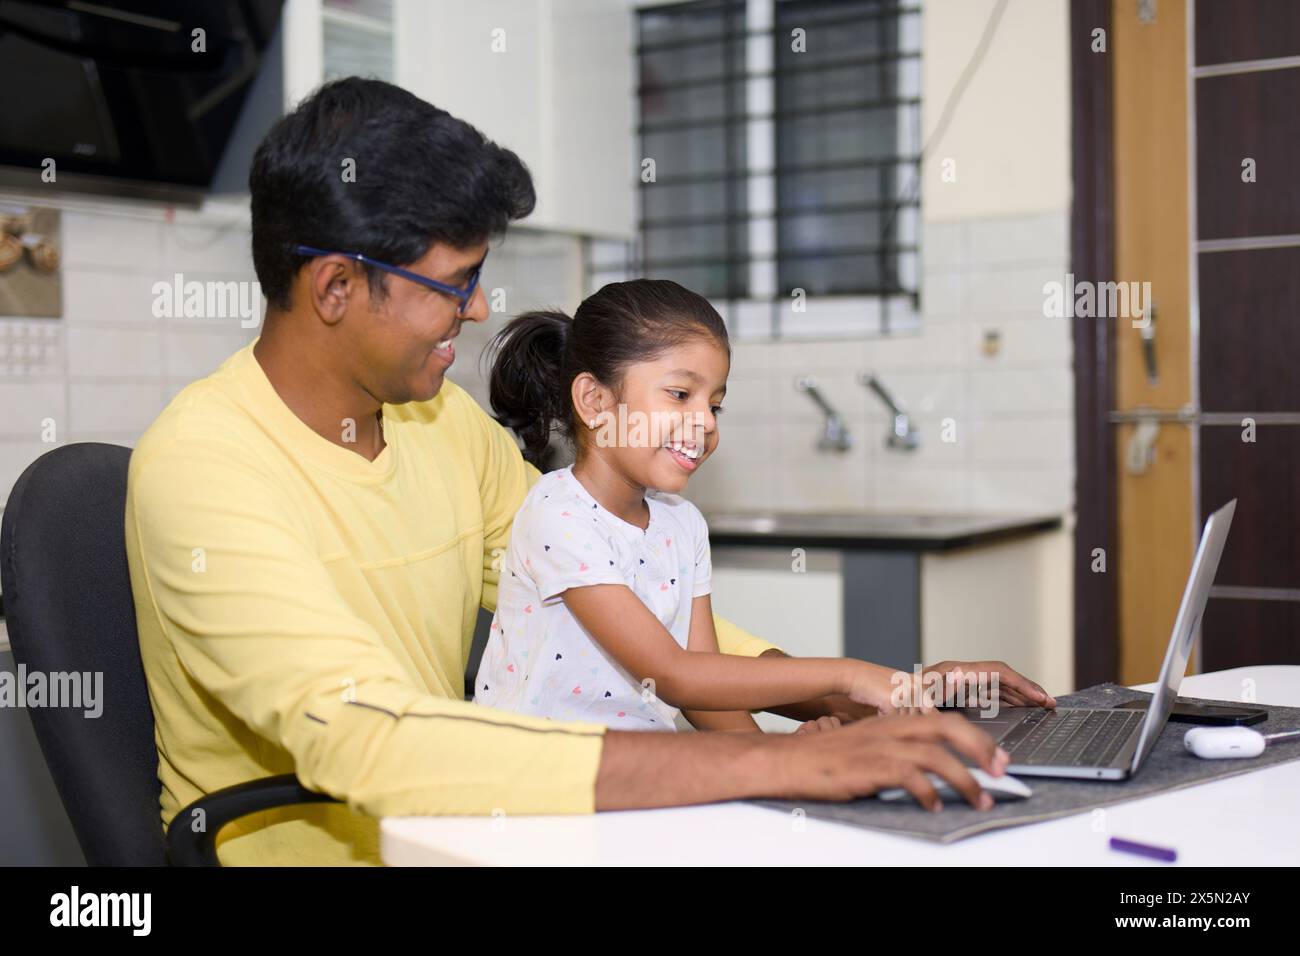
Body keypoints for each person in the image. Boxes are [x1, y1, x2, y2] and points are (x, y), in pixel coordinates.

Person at [125, 78, 1052, 866]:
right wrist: (786, 762)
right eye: (454, 285)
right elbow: (367, 738)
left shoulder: (439, 426)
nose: (481, 307)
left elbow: (637, 616)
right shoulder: (205, 467)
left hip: (471, 837)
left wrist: (876, 691)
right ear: (334, 287)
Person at [476, 281, 927, 732]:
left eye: (715, 405)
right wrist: (848, 675)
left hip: (641, 771)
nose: (706, 422)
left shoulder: (682, 523)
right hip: (548, 781)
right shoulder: (557, 515)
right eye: (680, 395)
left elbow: (707, 691)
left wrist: (784, 763)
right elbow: (674, 676)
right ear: (595, 400)